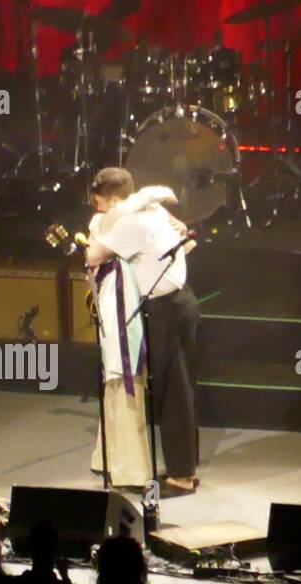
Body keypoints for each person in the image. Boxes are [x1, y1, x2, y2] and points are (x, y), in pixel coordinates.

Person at [84, 167, 201, 496]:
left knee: (173, 392)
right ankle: (187, 464)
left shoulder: (129, 222)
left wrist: (95, 228)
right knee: (183, 387)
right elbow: (181, 233)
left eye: (99, 203)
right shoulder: (155, 209)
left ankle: (182, 476)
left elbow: (94, 255)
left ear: (113, 198)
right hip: (182, 302)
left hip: (165, 309)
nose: (98, 211)